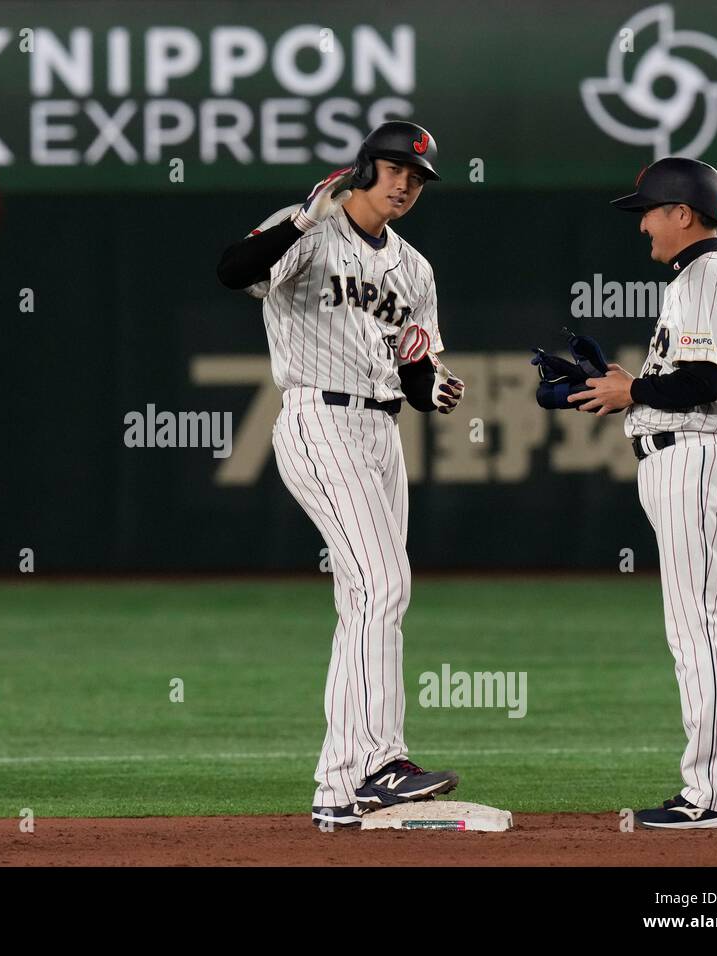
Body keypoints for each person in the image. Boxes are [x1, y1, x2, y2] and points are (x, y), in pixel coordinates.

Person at [216, 122, 466, 829]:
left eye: (416, 178)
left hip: (381, 430)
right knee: (383, 584)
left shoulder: (415, 270)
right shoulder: (310, 232)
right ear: (362, 168)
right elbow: (233, 270)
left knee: (368, 595)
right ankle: (381, 763)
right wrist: (301, 216)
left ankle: (339, 787)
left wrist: (432, 386)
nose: (404, 185)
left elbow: (414, 367)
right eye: (393, 169)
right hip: (317, 417)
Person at [572, 157, 717, 829]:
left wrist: (636, 391)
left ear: (683, 213)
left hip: (697, 459)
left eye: (650, 210)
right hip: (690, 457)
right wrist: (632, 384)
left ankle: (714, 795)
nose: (644, 222)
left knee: (697, 630)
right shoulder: (700, 277)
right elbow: (686, 375)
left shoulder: (705, 275)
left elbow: (703, 383)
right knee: (705, 628)